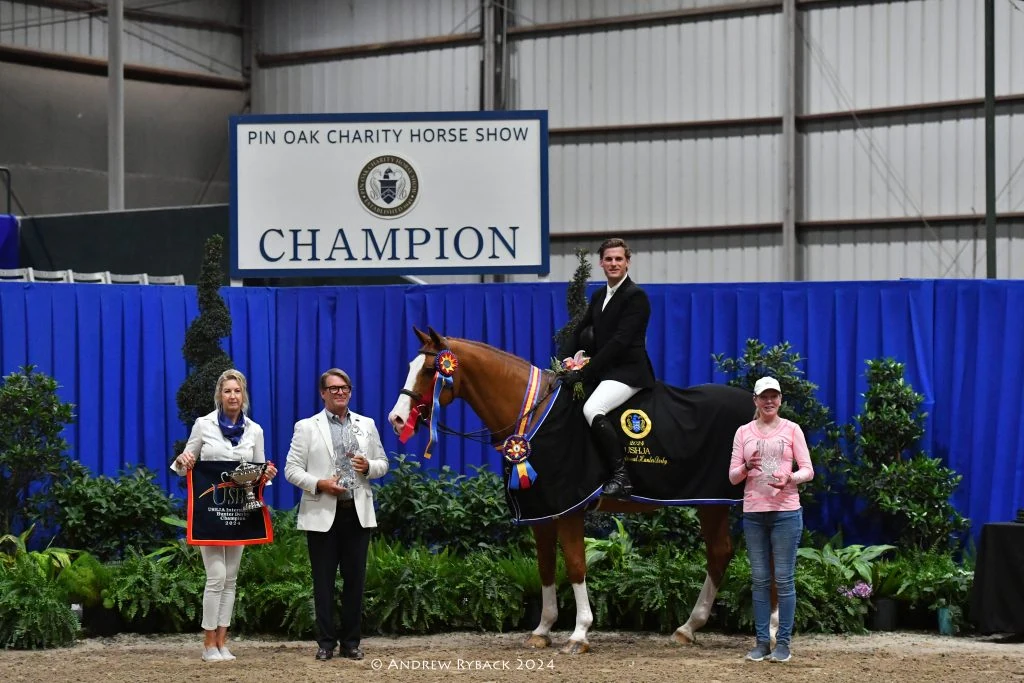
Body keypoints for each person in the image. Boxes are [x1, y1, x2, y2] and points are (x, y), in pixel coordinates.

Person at [171, 368, 276, 663]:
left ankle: (222, 642)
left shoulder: (255, 430)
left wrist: (266, 474)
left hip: (240, 511)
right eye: (227, 391)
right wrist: (183, 460)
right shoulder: (203, 425)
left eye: (237, 391)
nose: (233, 395)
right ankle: (207, 645)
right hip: (211, 511)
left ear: (243, 396)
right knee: (215, 577)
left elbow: (258, 473)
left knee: (231, 579)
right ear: (220, 395)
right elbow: (182, 465)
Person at [284, 368, 389, 662]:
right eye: (333, 389)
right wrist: (319, 484)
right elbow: (291, 470)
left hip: (357, 512)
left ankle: (352, 642)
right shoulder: (306, 427)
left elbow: (383, 463)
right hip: (322, 513)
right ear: (323, 393)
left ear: (350, 391)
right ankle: (326, 643)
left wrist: (369, 467)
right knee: (323, 582)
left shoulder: (366, 424)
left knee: (356, 582)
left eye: (344, 388)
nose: (339, 392)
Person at [559, 237, 655, 497]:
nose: (614, 263)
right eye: (609, 259)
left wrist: (584, 373)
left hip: (628, 372)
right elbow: (580, 331)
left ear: (627, 263)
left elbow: (619, 343)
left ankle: (621, 476)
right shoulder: (601, 294)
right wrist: (561, 361)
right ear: (601, 263)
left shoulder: (636, 297)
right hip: (605, 370)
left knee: (593, 408)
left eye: (619, 259)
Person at [728, 376, 814, 664]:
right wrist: (745, 466)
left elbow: (808, 470)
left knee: (784, 580)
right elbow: (732, 477)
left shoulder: (792, 430)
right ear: (755, 400)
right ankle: (762, 642)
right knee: (760, 580)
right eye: (764, 397)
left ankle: (784, 644)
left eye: (773, 396)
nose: (769, 401)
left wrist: (790, 477)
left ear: (780, 400)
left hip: (786, 513)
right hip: (753, 512)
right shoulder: (743, 432)